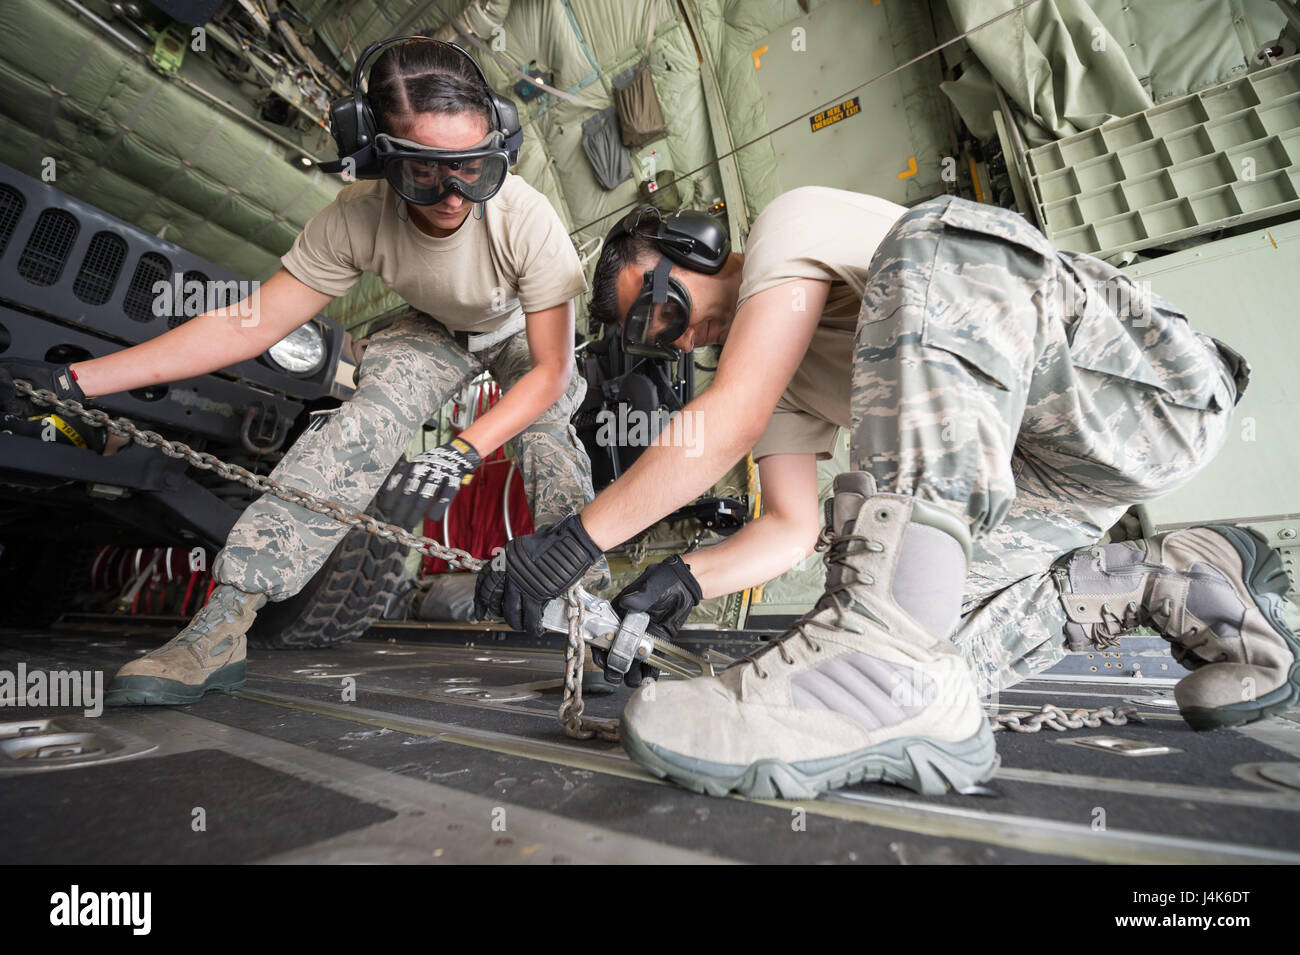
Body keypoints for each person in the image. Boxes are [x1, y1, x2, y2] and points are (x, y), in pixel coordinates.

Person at [473, 186, 1295, 800]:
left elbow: (723, 420)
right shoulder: (775, 390)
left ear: (694, 244)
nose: (677, 336)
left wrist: (576, 543)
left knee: (933, 242)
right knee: (926, 669)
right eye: (653, 338)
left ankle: (883, 641)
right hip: (1062, 475)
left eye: (663, 305)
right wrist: (684, 579)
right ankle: (1175, 579)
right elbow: (791, 529)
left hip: (1148, 391)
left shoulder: (787, 228)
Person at [0, 37, 610, 705]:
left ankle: (588, 620)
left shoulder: (526, 218)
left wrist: (462, 451)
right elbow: (248, 324)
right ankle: (221, 627)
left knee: (548, 436)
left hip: (522, 333)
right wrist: (78, 382)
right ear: (379, 156)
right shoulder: (353, 218)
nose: (454, 193)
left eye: (472, 166)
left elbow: (550, 370)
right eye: (424, 173)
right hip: (434, 329)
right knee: (360, 425)